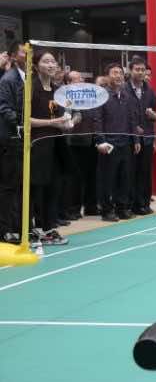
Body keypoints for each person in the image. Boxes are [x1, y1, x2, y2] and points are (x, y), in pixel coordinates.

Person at [29, 51, 71, 244]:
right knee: (37, 189)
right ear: (36, 65)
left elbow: (57, 117)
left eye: (53, 62)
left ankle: (49, 228)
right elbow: (26, 120)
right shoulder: (30, 88)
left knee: (54, 187)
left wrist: (66, 122)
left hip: (55, 145)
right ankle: (33, 229)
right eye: (46, 62)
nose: (51, 65)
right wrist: (53, 123)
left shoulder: (57, 90)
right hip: (37, 145)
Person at [94, 63, 140, 222]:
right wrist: (101, 141)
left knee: (124, 178)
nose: (119, 76)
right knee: (108, 179)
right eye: (114, 73)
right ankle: (107, 210)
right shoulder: (101, 96)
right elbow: (97, 120)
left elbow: (132, 119)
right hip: (109, 144)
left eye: (120, 73)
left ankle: (122, 208)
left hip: (126, 143)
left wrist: (135, 139)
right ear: (107, 77)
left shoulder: (127, 96)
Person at [62, 70, 99, 219]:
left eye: (81, 78)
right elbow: (69, 118)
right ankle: (73, 209)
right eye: (77, 79)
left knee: (92, 175)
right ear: (68, 83)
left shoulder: (89, 97)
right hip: (74, 142)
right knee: (76, 177)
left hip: (91, 140)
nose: (81, 80)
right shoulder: (65, 97)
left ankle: (91, 206)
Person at [124, 56, 156, 216]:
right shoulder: (124, 90)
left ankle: (143, 203)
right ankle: (130, 205)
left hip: (147, 138)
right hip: (130, 139)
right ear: (130, 71)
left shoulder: (149, 91)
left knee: (145, 172)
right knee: (130, 172)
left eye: (142, 70)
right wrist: (133, 128)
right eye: (137, 69)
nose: (140, 72)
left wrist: (153, 115)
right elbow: (122, 115)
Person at [0, 41, 27, 242]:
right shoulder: (8, 79)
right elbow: (5, 107)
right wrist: (19, 125)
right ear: (13, 56)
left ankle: (22, 225)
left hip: (25, 140)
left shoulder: (28, 77)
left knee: (21, 185)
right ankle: (6, 229)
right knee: (9, 185)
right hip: (11, 139)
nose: (27, 54)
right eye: (23, 51)